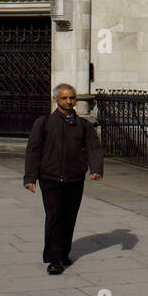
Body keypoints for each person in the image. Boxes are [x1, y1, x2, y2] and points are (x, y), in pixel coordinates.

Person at [23, 84, 103, 275]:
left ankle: (63, 252)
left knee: (69, 217)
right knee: (54, 215)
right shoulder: (43, 123)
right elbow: (33, 150)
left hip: (75, 178)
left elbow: (94, 148)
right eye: (64, 98)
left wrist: (96, 168)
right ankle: (54, 258)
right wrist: (30, 177)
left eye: (72, 98)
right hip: (50, 178)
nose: (69, 102)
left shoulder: (83, 125)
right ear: (56, 100)